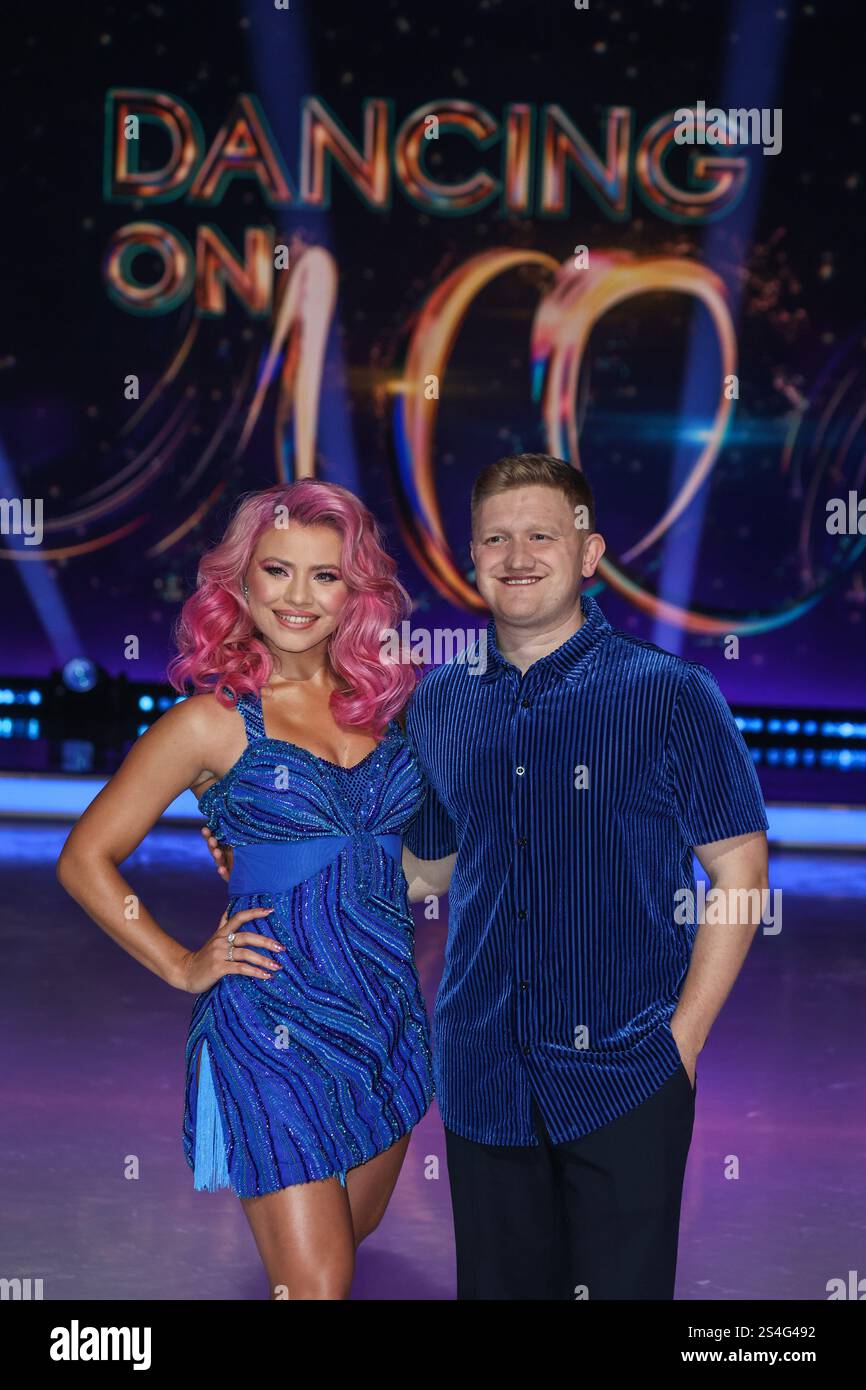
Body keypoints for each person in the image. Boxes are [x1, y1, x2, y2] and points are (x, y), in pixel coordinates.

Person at [56, 479, 448, 1300]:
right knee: (319, 1285)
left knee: (345, 1238)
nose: (299, 597)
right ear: (241, 581)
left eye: (326, 575)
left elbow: (414, 861)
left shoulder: (390, 709)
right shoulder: (211, 722)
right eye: (277, 570)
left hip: (384, 1019)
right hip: (269, 1022)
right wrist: (180, 964)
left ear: (358, 592)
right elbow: (85, 857)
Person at [401, 452, 770, 1300]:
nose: (517, 554)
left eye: (540, 534)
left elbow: (739, 867)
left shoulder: (672, 695)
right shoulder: (439, 702)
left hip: (627, 1072)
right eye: (496, 538)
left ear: (589, 552)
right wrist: (296, 859)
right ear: (472, 557)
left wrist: (681, 1044)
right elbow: (426, 869)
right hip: (482, 1073)